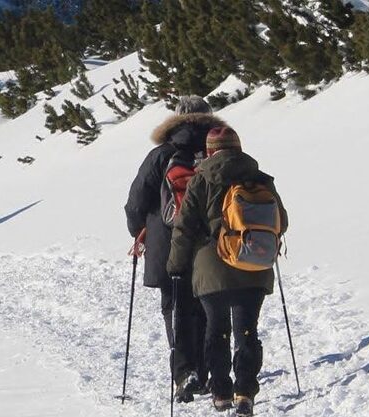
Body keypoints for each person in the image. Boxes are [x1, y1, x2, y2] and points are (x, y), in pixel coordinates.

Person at [167, 127, 288, 416]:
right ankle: (245, 391)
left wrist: (176, 264)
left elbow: (183, 227)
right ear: (238, 146)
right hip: (254, 263)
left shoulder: (201, 179)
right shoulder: (261, 178)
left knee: (216, 329)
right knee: (247, 330)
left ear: (209, 152)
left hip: (212, 268)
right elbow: (281, 220)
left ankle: (221, 393)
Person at [123, 96, 223, 403]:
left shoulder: (162, 154)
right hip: (213, 242)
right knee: (207, 307)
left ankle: (184, 373)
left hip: (167, 242)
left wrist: (141, 233)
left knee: (176, 307)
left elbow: (136, 201)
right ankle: (207, 372)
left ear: (176, 119)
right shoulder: (219, 151)